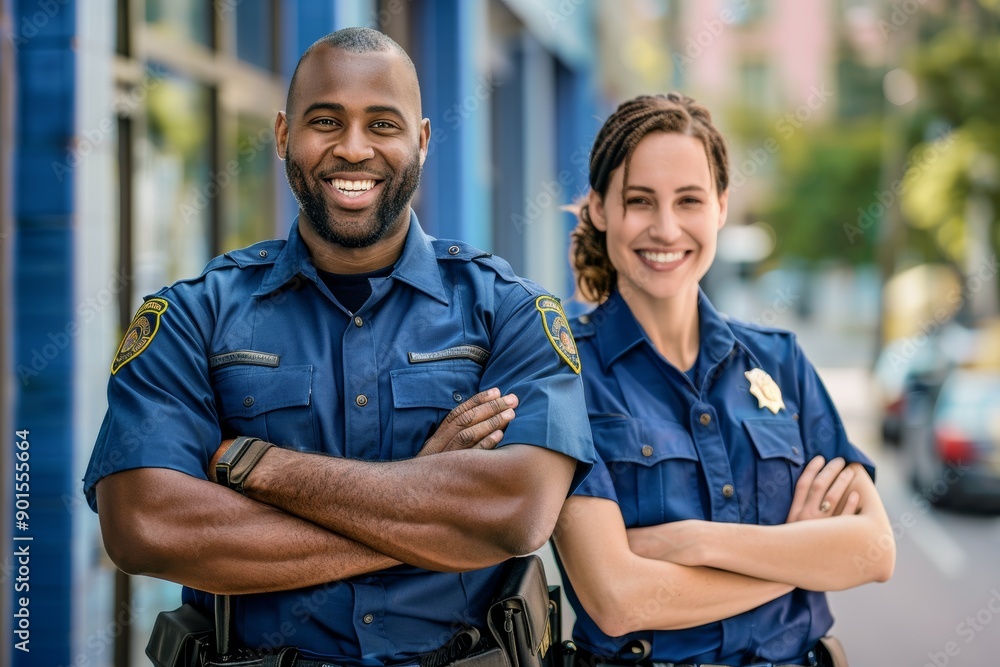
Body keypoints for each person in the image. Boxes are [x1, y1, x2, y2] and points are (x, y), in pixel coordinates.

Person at [83, 27, 593, 664]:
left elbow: (516, 513)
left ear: (422, 141)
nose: (353, 149)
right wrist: (430, 508)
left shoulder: (509, 311)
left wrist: (260, 469)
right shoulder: (193, 316)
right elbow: (144, 527)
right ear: (282, 135)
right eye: (326, 121)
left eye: (383, 124)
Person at [551, 93, 895, 667]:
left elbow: (874, 550)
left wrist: (694, 541)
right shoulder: (565, 374)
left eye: (689, 200)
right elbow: (618, 600)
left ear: (721, 208)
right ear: (600, 208)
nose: (666, 228)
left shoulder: (779, 360)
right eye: (639, 201)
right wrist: (799, 558)